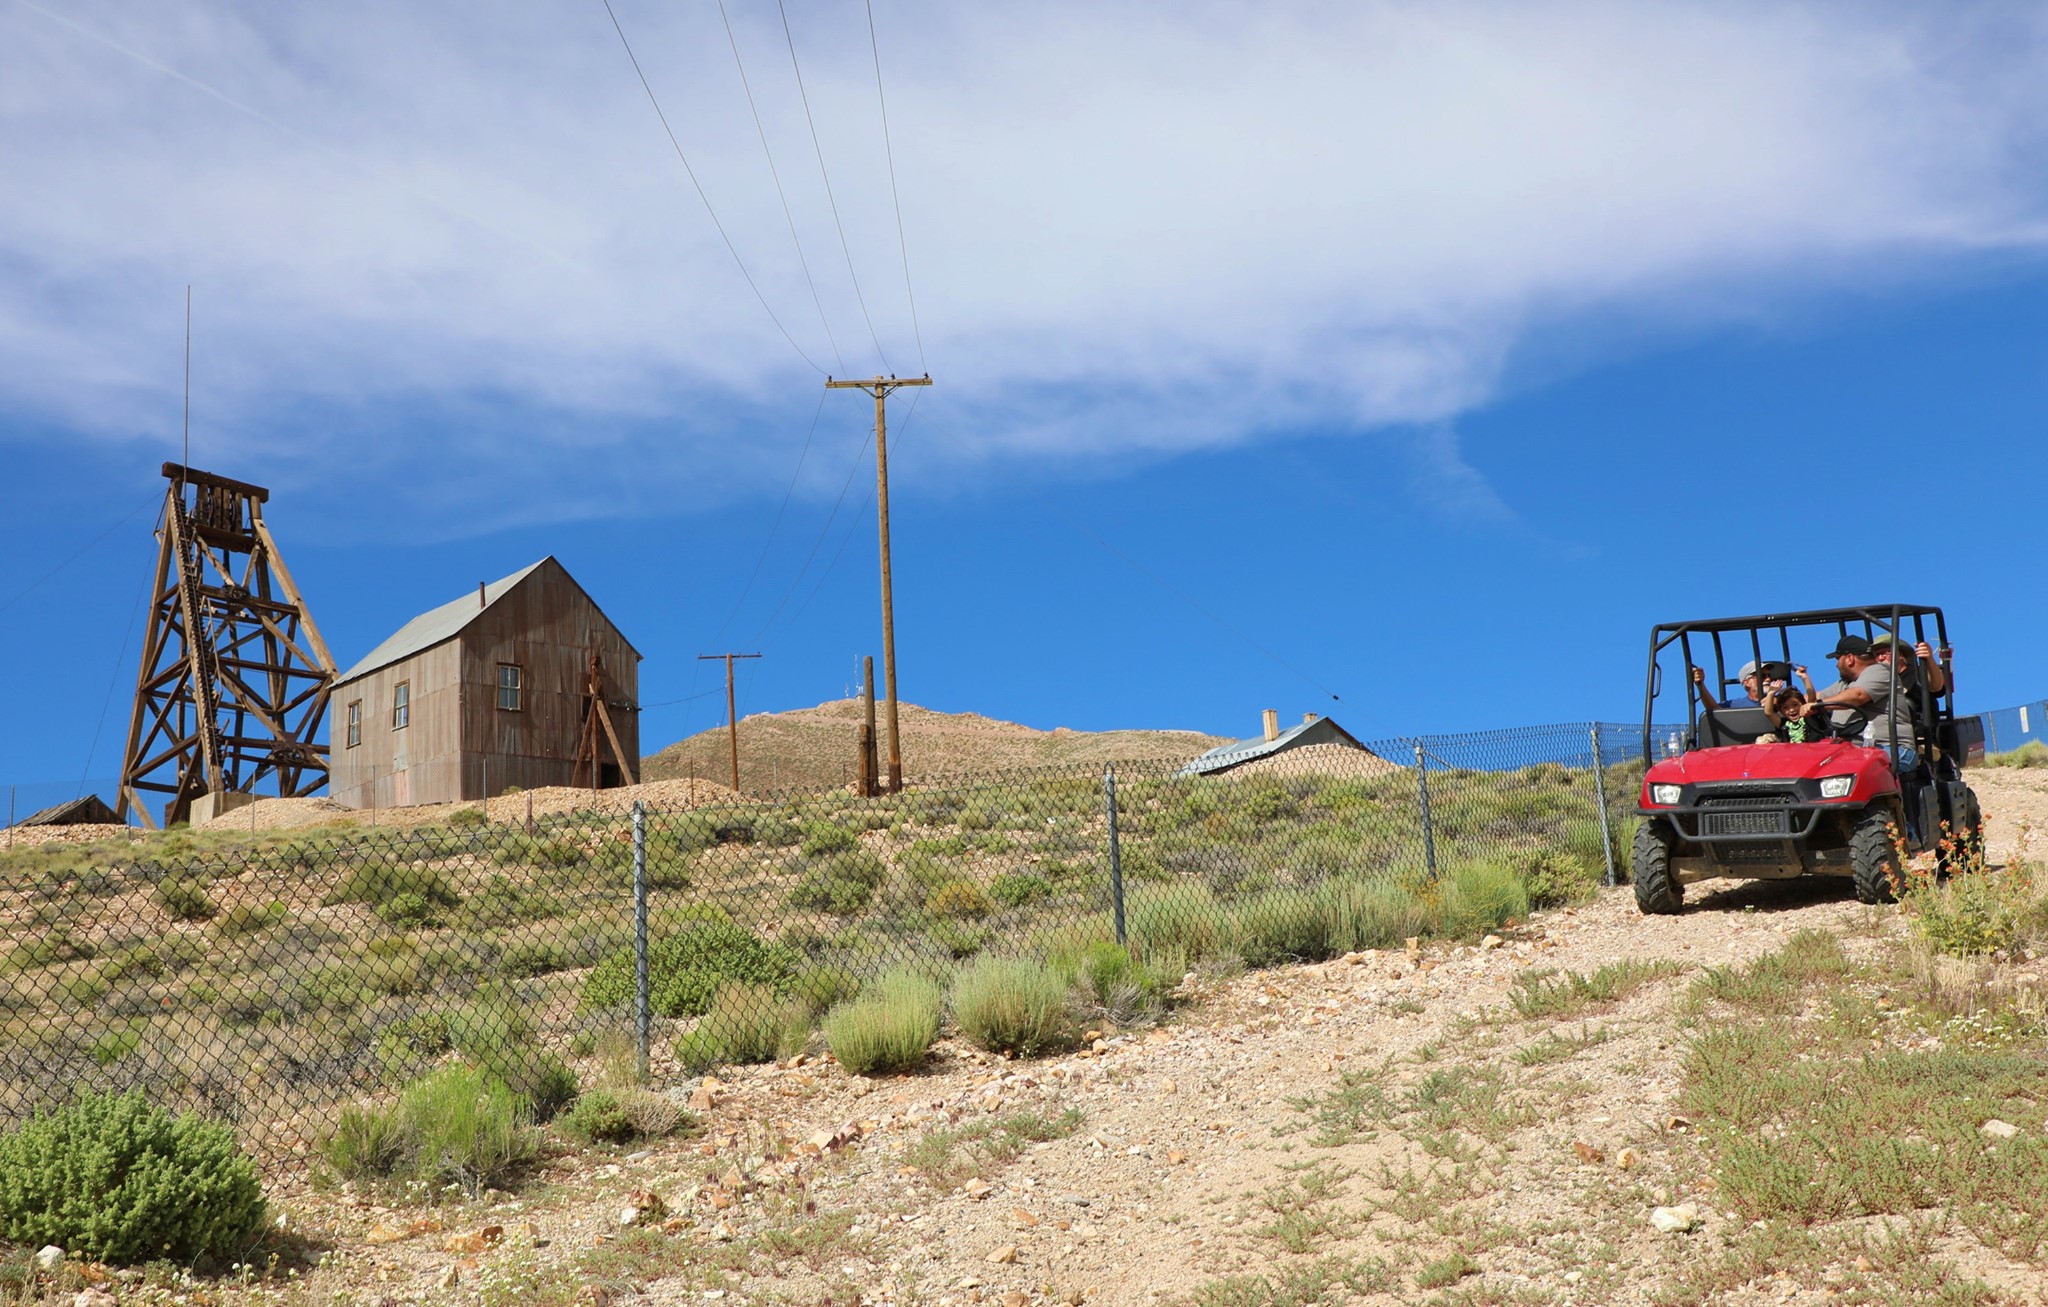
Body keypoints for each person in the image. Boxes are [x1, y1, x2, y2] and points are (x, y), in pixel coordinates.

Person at [1809, 635, 1917, 767]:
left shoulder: (1881, 671)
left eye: (1838, 659)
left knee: (1849, 769)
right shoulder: (1846, 683)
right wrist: (1782, 700)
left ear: (1849, 658)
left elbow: (1857, 696)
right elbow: (1817, 696)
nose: (1836, 665)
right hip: (1855, 750)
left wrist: (1817, 705)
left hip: (1890, 748)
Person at [1691, 661, 1763, 710]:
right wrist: (1700, 684)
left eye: (1770, 675)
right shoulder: (1736, 705)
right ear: (1747, 683)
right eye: (1762, 676)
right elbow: (1714, 710)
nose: (1768, 679)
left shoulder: (1774, 700)